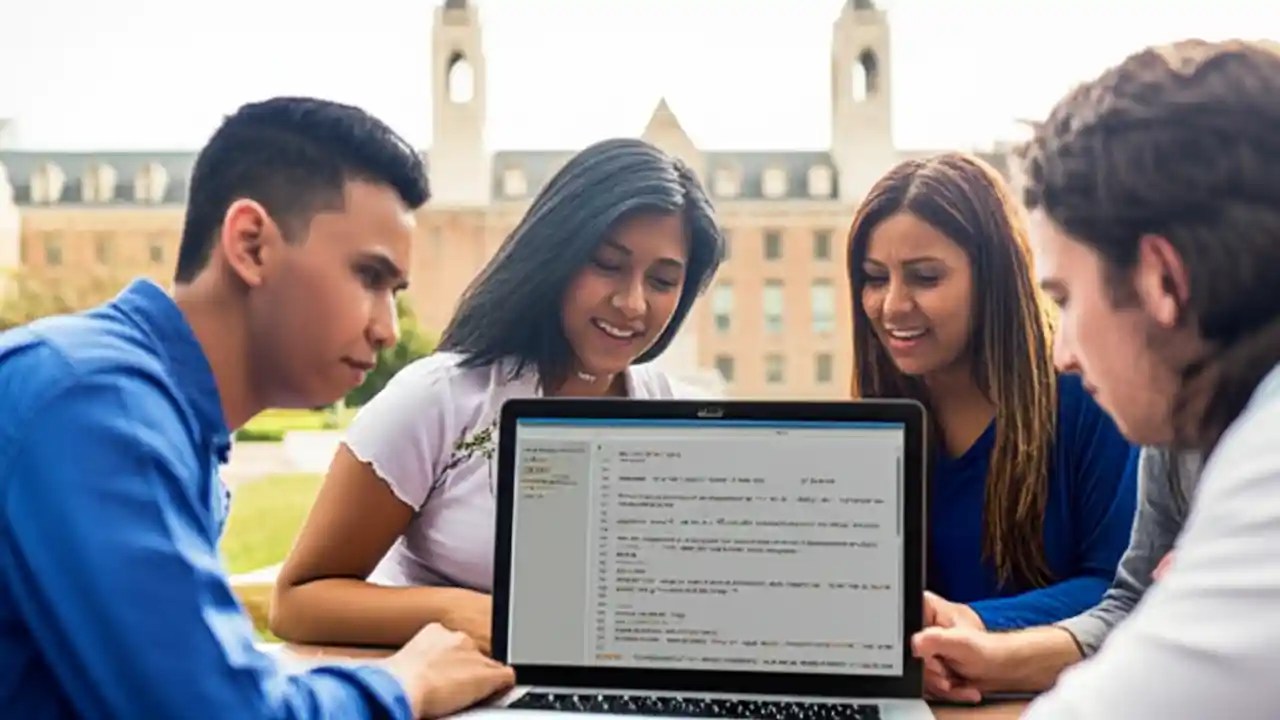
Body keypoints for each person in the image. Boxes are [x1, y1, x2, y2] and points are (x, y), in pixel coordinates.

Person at [0, 96, 513, 719]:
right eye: (369, 278)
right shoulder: (96, 403)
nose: (385, 327)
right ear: (250, 245)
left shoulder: (146, 408)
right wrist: (408, 683)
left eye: (395, 291)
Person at [269, 137, 725, 653]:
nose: (632, 302)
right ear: (557, 255)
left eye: (663, 280)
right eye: (606, 264)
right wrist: (457, 612)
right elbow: (297, 601)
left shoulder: (683, 420)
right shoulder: (440, 399)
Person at [969, 38, 1280, 718]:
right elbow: (1138, 609)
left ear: (1161, 279)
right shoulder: (1202, 418)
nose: (1063, 356)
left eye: (1065, 300)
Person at [845, 152, 1138, 634]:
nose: (892, 305)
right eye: (875, 279)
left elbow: (1115, 584)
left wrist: (974, 622)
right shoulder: (878, 422)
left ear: (994, 277)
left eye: (925, 277)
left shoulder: (1086, 398)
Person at [913, 446, 1201, 702]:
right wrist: (1000, 661)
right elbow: (1135, 604)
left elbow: (1112, 586)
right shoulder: (1168, 445)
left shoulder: (1107, 413)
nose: (1085, 381)